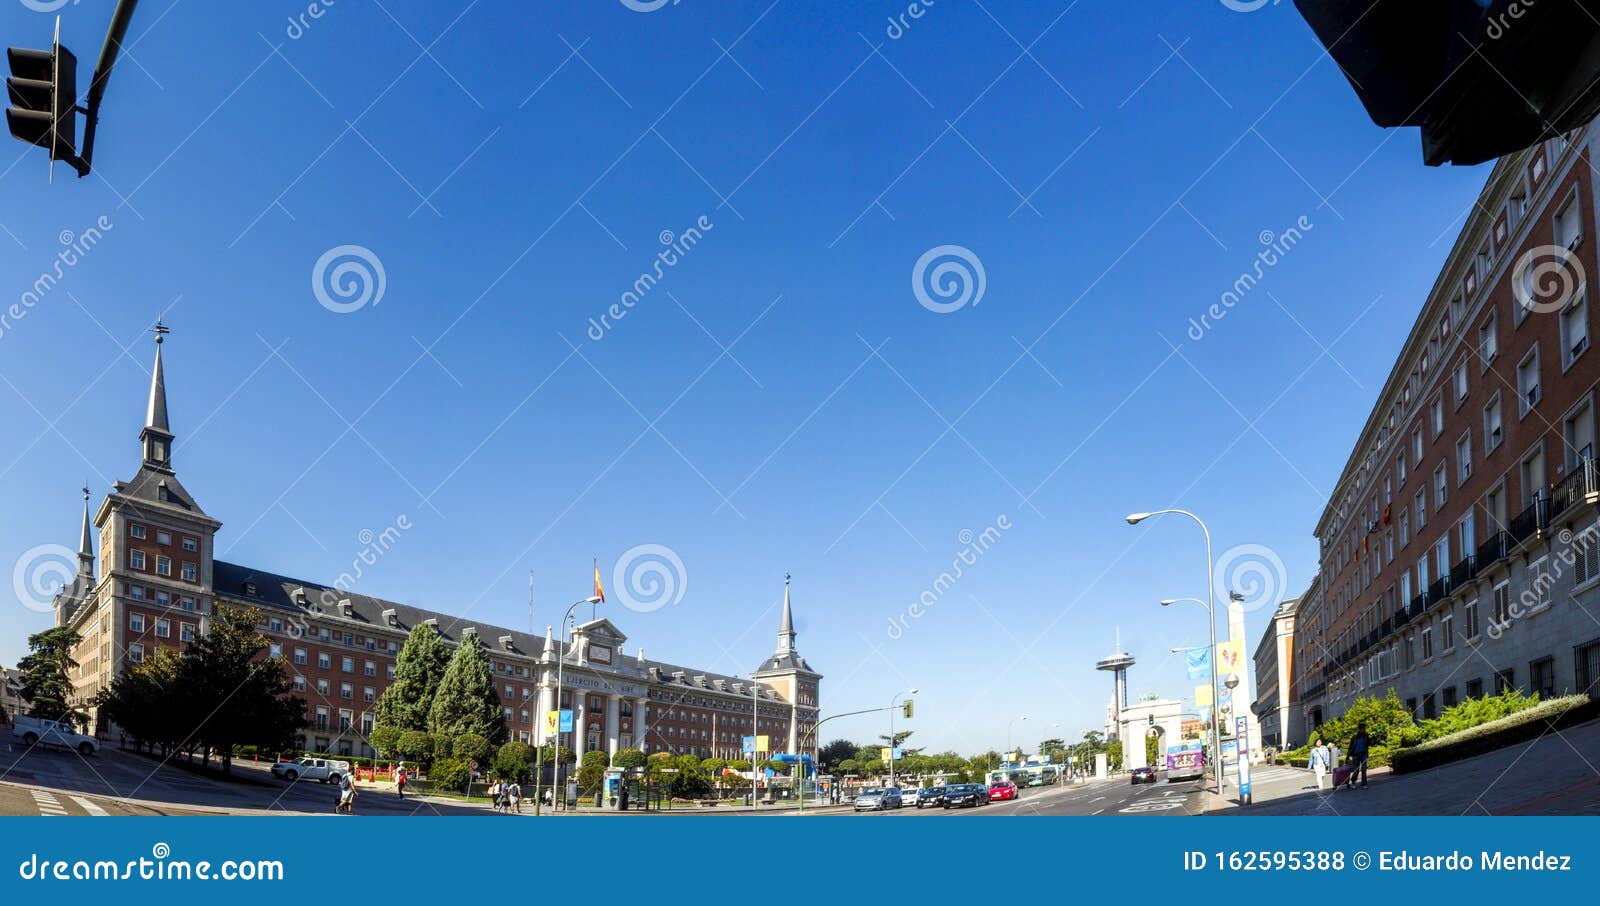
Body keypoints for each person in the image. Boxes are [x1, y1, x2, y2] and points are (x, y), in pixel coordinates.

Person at [1347, 724, 1371, 789]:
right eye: (1363, 728)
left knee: (1364, 769)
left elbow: (1368, 744)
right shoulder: (1354, 737)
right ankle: (1353, 782)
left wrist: (1367, 754)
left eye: (1364, 728)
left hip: (1364, 755)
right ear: (1359, 729)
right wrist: (1347, 756)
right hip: (1356, 755)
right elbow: (1350, 747)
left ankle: (1364, 783)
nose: (1364, 730)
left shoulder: (1366, 736)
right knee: (1356, 770)